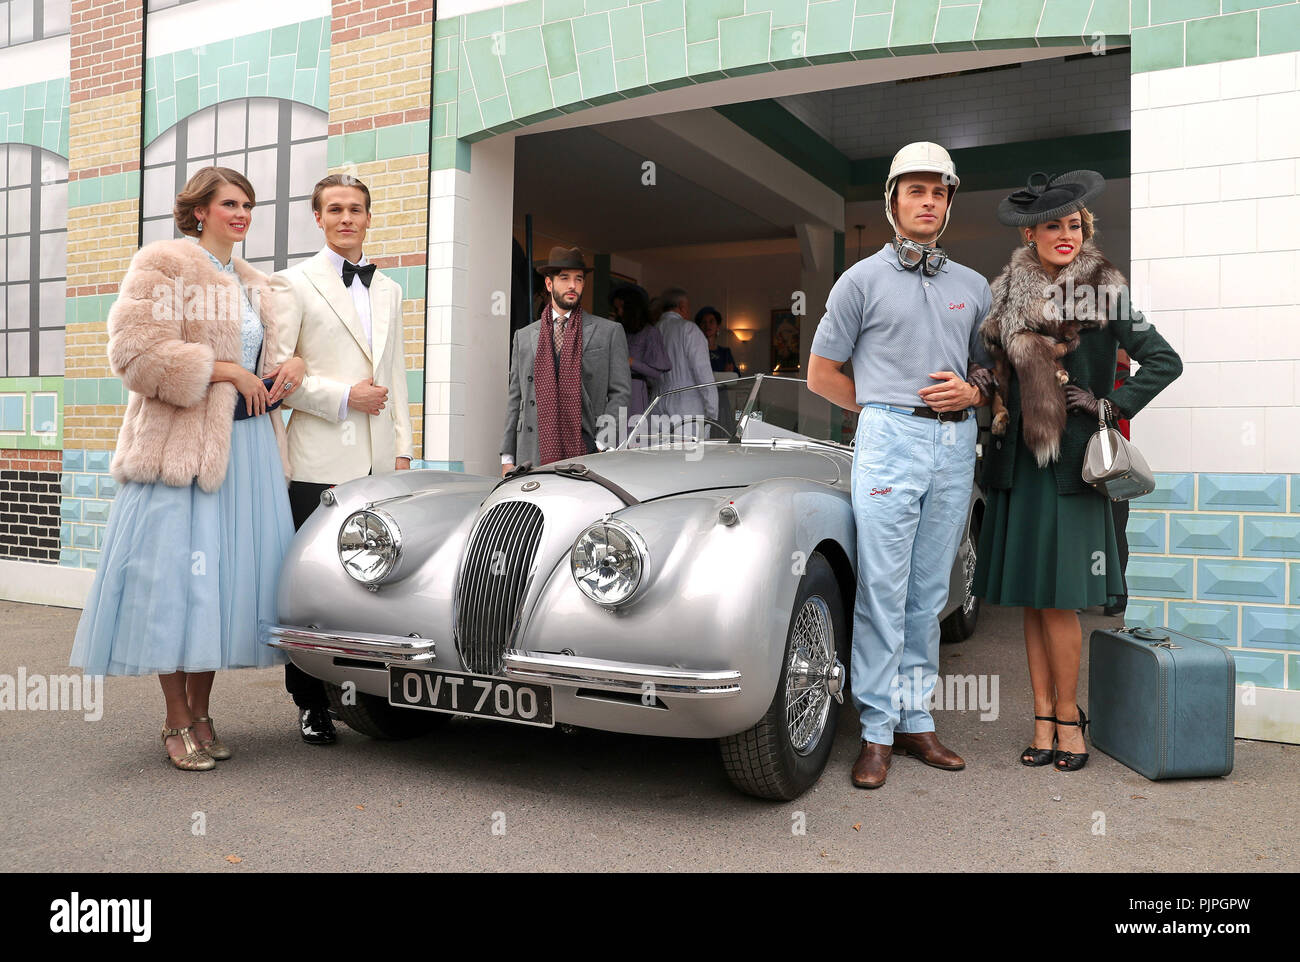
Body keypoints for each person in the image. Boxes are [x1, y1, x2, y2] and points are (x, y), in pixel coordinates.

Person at [70, 167, 302, 771]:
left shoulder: (253, 282)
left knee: (219, 590)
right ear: (198, 210)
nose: (242, 213)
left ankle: (202, 713)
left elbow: (264, 364)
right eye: (229, 203)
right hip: (180, 453)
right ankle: (175, 719)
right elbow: (134, 355)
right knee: (175, 586)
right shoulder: (167, 264)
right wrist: (224, 371)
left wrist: (289, 365)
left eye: (249, 203)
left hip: (247, 453)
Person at [973, 170, 1181, 773]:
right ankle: (1041, 719)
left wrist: (1108, 403)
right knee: (1034, 605)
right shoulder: (1006, 293)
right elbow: (999, 374)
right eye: (1053, 226)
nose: (1065, 235)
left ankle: (1070, 719)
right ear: (1032, 233)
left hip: (1073, 470)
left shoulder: (1103, 290)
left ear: (1083, 229)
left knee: (1062, 601)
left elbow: (1164, 360)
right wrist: (989, 383)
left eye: (1074, 225)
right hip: (1019, 465)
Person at [807, 142, 995, 791]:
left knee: (928, 592)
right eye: (915, 190)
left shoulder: (974, 286)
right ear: (892, 202)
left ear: (947, 204)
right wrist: (881, 407)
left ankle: (916, 718)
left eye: (938, 192)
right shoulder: (859, 280)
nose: (928, 202)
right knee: (883, 590)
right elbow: (820, 374)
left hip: (955, 444)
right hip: (890, 440)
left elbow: (987, 370)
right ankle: (878, 730)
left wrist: (975, 394)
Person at [268, 173, 414, 745]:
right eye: (335, 209)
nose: (346, 218)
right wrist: (343, 397)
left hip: (379, 463)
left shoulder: (391, 290)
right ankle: (309, 702)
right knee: (313, 588)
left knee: (375, 583)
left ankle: (372, 698)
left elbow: (398, 375)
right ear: (319, 217)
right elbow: (280, 377)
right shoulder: (291, 283)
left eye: (355, 209)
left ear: (369, 218)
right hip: (317, 460)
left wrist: (403, 451)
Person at [501, 247, 630, 474]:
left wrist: (602, 443)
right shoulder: (524, 336)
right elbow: (515, 398)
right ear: (549, 284)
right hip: (531, 452)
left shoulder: (608, 331)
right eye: (565, 278)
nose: (573, 285)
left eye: (578, 279)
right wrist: (507, 457)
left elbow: (620, 393)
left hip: (587, 450)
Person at [654, 287, 717, 436]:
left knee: (659, 455)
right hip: (687, 405)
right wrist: (712, 413)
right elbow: (703, 374)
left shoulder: (654, 329)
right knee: (690, 456)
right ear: (682, 306)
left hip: (657, 402)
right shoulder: (688, 329)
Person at [610, 282, 671, 427]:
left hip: (636, 391)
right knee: (613, 433)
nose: (619, 312)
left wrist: (632, 363)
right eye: (616, 308)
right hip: (614, 390)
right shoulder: (619, 330)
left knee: (633, 435)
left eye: (621, 308)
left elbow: (657, 373)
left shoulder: (650, 333)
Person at [694, 306, 736, 373]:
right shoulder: (694, 351)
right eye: (704, 322)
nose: (707, 325)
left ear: (718, 327)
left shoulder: (725, 352)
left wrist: (730, 374)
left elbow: (737, 376)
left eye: (711, 321)